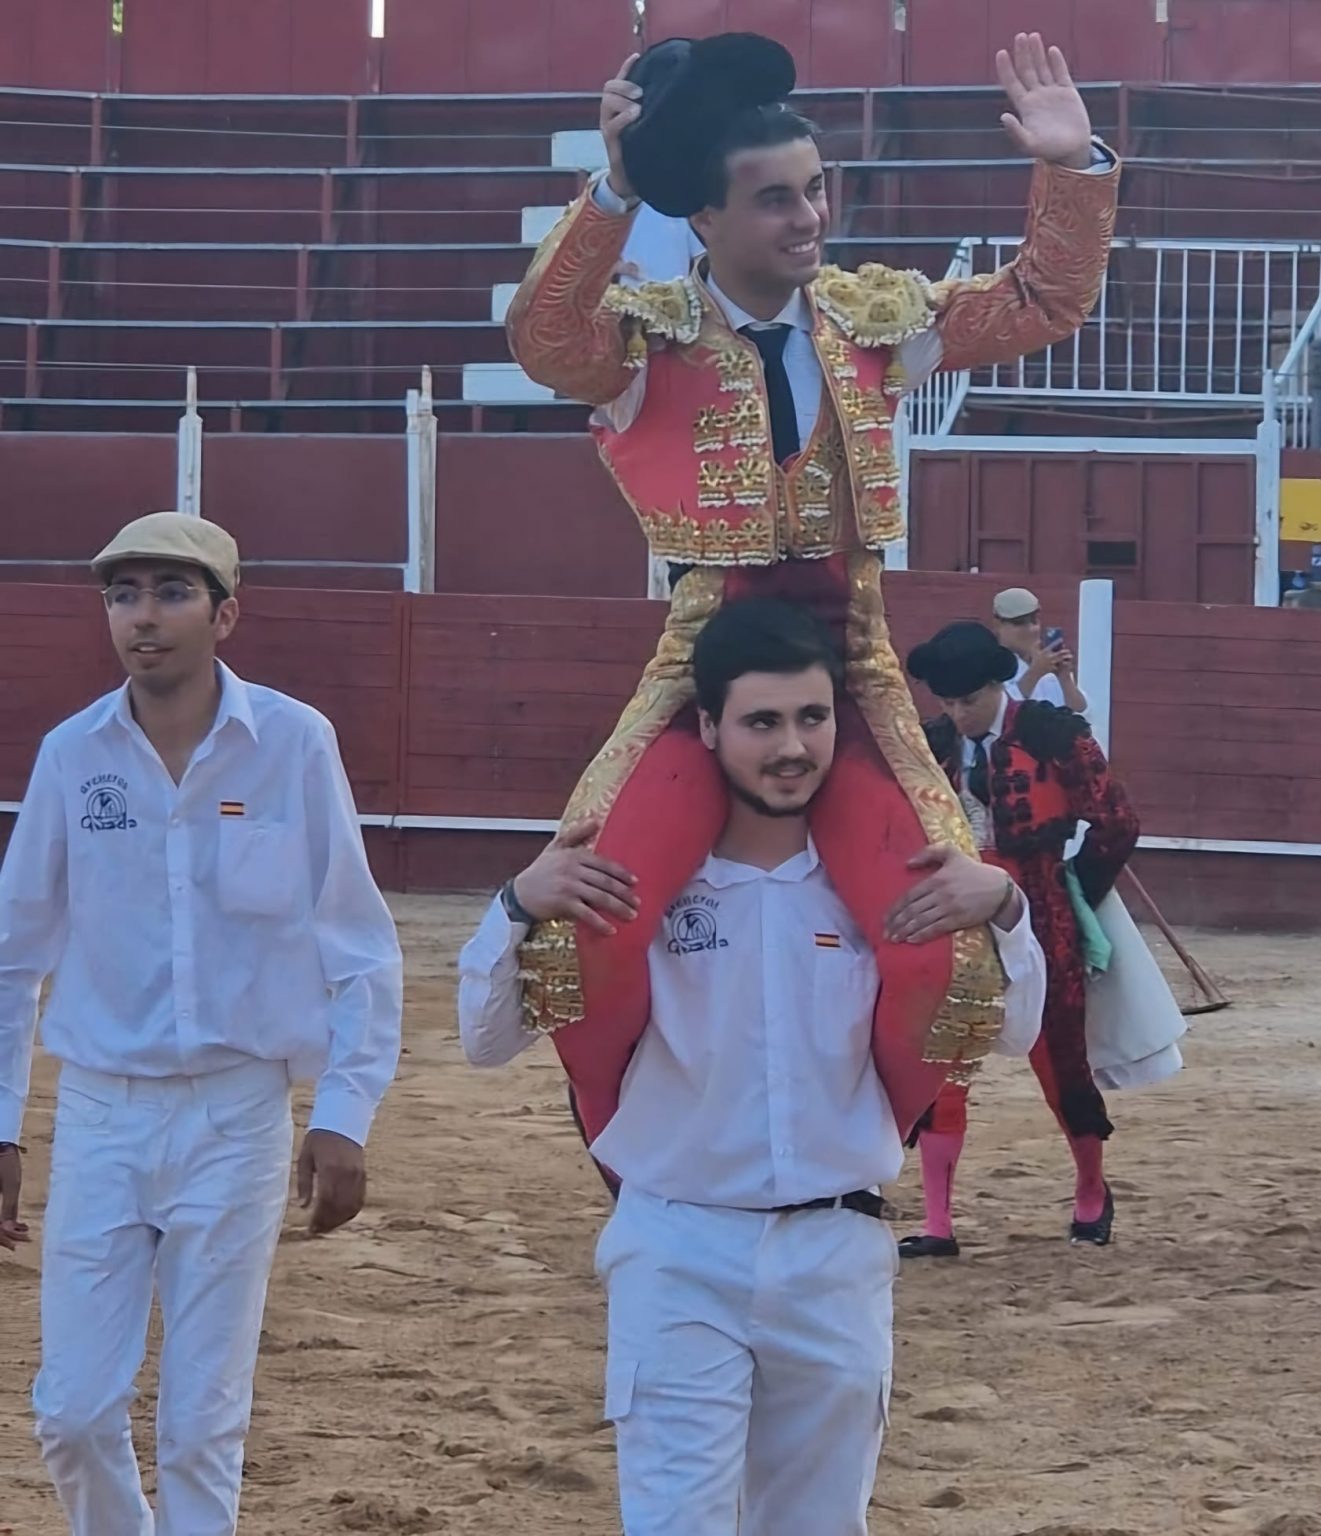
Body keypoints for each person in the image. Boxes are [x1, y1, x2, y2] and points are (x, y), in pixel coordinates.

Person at [504, 30, 1119, 1144]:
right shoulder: (645, 342)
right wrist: (616, 188)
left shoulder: (873, 322)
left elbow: (1040, 300)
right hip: (697, 685)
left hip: (855, 681)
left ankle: (850, 1160)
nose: (809, 219)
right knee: (578, 936)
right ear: (706, 216)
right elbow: (545, 338)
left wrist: (1071, 170)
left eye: (817, 190)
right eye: (776, 200)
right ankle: (639, 1161)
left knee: (946, 944)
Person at [458, 599, 1045, 1535]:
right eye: (761, 722)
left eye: (811, 719)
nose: (790, 747)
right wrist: (517, 904)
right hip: (676, 1245)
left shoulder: (896, 883)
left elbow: (1013, 1033)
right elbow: (486, 1042)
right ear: (708, 726)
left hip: (834, 1250)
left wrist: (1003, 906)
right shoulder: (630, 880)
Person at [0, 512, 403, 1536]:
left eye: (172, 594)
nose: (145, 618)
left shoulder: (294, 744)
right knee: (73, 1412)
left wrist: (344, 1110)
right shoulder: (71, 756)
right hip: (100, 1114)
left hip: (239, 1115)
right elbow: (13, 956)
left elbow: (358, 943)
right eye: (124, 594)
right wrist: (2, 1125)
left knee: (199, 1423)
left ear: (227, 613)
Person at [900, 621, 1138, 1256]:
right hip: (957, 914)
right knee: (944, 1059)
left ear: (996, 685)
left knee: (1059, 1058)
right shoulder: (934, 744)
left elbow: (1116, 820)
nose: (956, 714)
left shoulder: (1052, 733)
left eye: (967, 701)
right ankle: (937, 1222)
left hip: (1039, 903)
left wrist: (1075, 890)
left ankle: (1092, 1191)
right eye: (946, 703)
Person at [993, 586, 1089, 713]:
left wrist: (1065, 679)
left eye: (1034, 621)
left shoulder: (1048, 660)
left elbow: (1082, 712)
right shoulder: (990, 665)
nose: (1031, 629)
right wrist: (1035, 672)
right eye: (1019, 623)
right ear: (998, 624)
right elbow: (1001, 713)